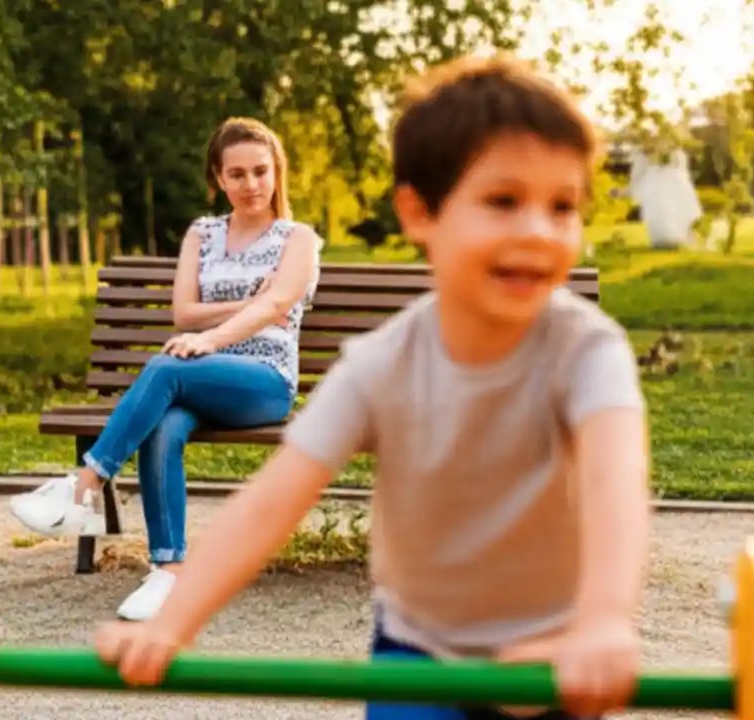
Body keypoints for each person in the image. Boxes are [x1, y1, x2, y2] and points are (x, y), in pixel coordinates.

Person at [92, 55, 651, 720]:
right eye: (503, 201)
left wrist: (606, 619)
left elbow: (615, 480)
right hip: (421, 649)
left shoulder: (587, 349)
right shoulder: (383, 363)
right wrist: (172, 625)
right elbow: (272, 502)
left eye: (563, 206)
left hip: (558, 651)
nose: (537, 230)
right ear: (419, 213)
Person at [9, 116, 322, 621]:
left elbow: (276, 308)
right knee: (166, 424)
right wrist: (244, 304)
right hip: (205, 371)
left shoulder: (298, 239)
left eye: (261, 171)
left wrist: (210, 337)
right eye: (237, 174)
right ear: (219, 178)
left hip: (264, 379)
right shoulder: (203, 233)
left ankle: (82, 487)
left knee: (166, 367)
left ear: (277, 171)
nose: (251, 185)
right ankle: (169, 572)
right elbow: (184, 313)